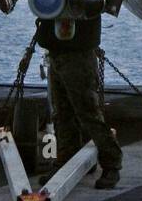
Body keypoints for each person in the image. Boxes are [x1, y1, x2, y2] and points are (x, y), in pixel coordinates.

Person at [35, 12, 122, 189]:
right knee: (62, 113)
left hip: (78, 57)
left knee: (88, 114)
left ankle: (111, 165)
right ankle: (65, 162)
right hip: (57, 54)